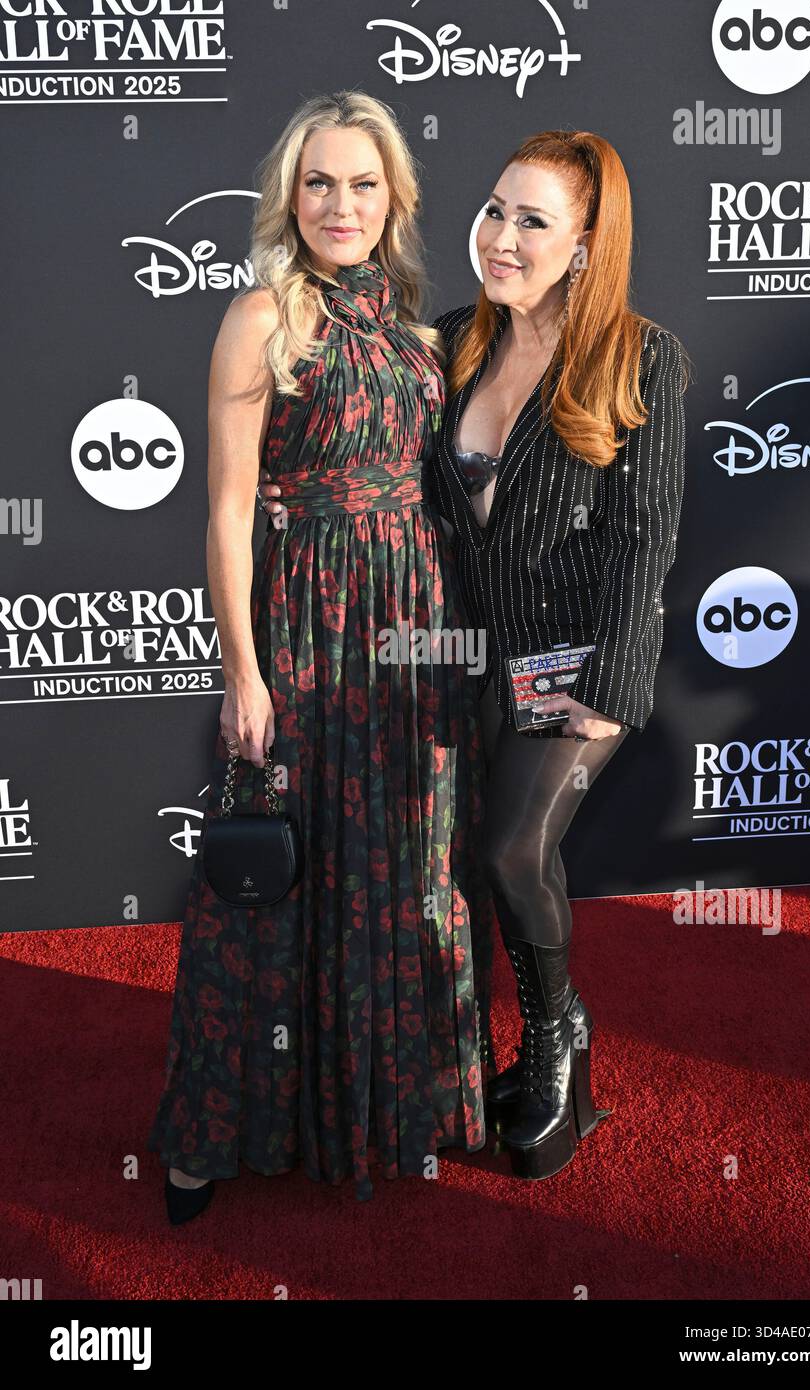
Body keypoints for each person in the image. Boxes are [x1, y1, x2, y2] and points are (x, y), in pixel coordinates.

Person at [262, 128, 689, 1182]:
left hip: (579, 660)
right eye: (496, 210)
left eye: (533, 221)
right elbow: (387, 473)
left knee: (509, 851)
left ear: (585, 246)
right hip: (461, 657)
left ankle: (555, 1047)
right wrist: (303, 492)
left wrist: (607, 688)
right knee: (456, 865)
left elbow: (645, 538)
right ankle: (500, 1045)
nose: (501, 237)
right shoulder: (451, 339)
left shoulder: (642, 356)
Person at [148, 90, 497, 1220]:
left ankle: (383, 1107)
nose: (340, 204)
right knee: (276, 890)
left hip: (415, 632)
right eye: (319, 183)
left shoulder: (418, 327)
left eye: (362, 183)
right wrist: (242, 671)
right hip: (307, 623)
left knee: (402, 872)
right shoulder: (262, 318)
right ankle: (211, 1135)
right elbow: (228, 507)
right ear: (288, 198)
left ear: (394, 194)